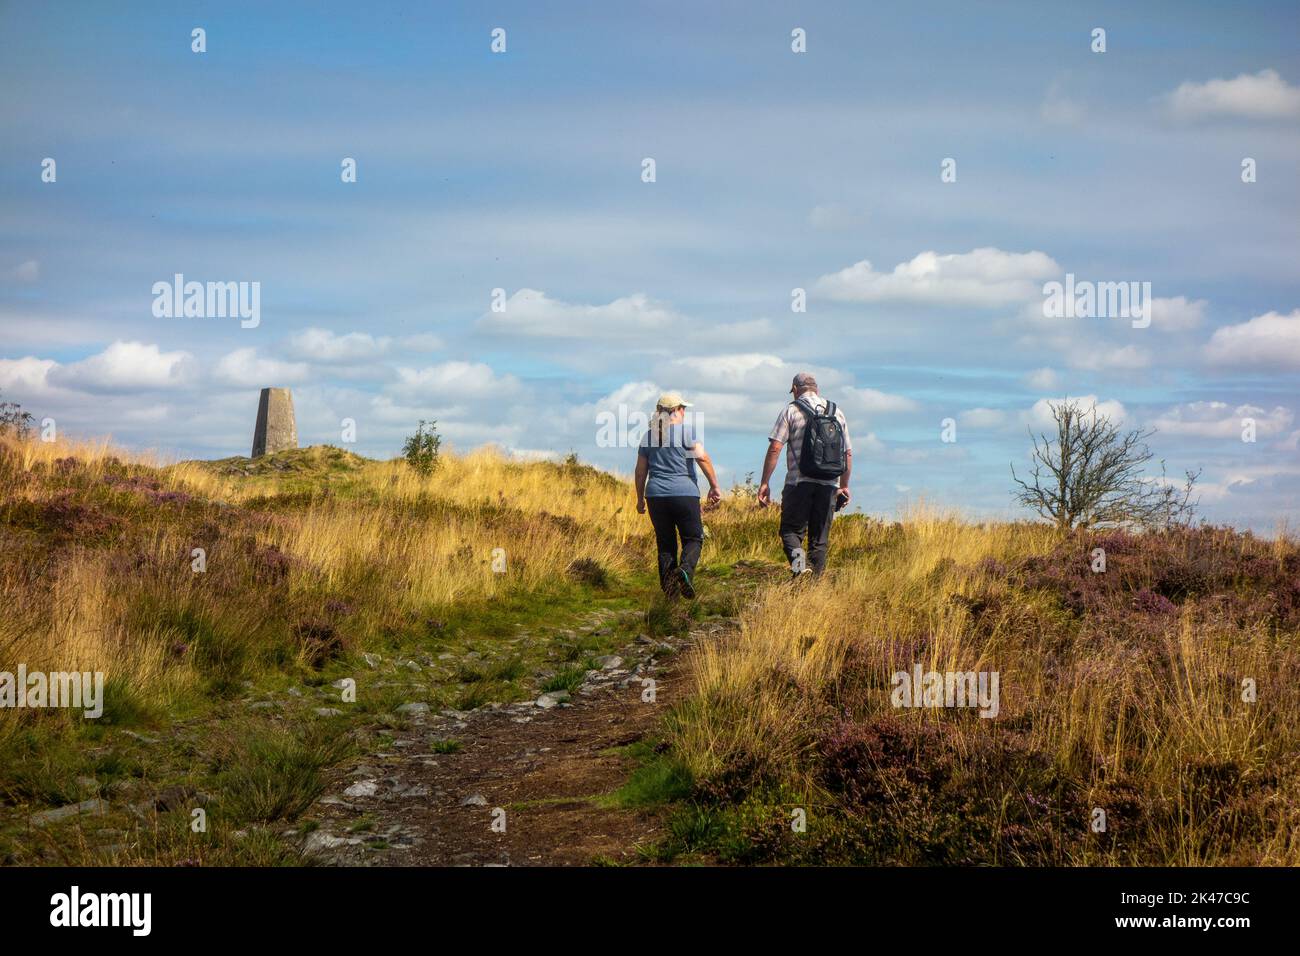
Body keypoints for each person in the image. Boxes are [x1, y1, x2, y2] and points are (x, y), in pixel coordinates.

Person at [758, 372, 853, 578]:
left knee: (791, 532)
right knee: (819, 540)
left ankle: (800, 569)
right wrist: (843, 486)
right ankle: (812, 589)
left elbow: (775, 447)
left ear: (794, 389)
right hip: (829, 485)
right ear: (816, 389)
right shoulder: (837, 412)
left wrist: (765, 482)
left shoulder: (791, 411)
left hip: (799, 483)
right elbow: (847, 453)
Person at [635, 392, 721, 598]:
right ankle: (685, 570)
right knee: (693, 537)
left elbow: (640, 471)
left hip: (655, 495)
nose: (685, 412)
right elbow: (703, 458)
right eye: (683, 408)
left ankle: (670, 598)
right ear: (675, 411)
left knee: (666, 544)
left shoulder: (649, 436)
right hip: (684, 493)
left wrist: (639, 499)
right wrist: (714, 486)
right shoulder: (686, 432)